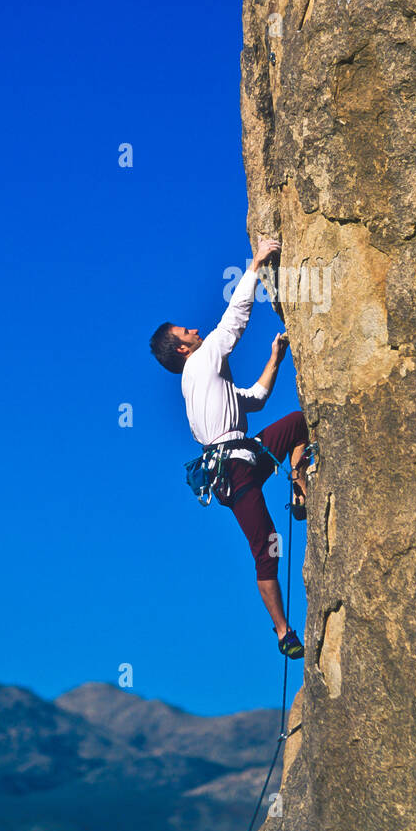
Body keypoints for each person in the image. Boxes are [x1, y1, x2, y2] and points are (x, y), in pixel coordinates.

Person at [149, 236, 309, 658]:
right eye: (187, 331)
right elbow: (233, 321)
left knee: (299, 424)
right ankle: (282, 631)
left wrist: (275, 359)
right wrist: (255, 266)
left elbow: (253, 400)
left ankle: (297, 482)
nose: (195, 329)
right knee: (267, 542)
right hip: (236, 470)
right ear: (183, 349)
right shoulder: (201, 363)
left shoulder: (202, 382)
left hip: (241, 458)